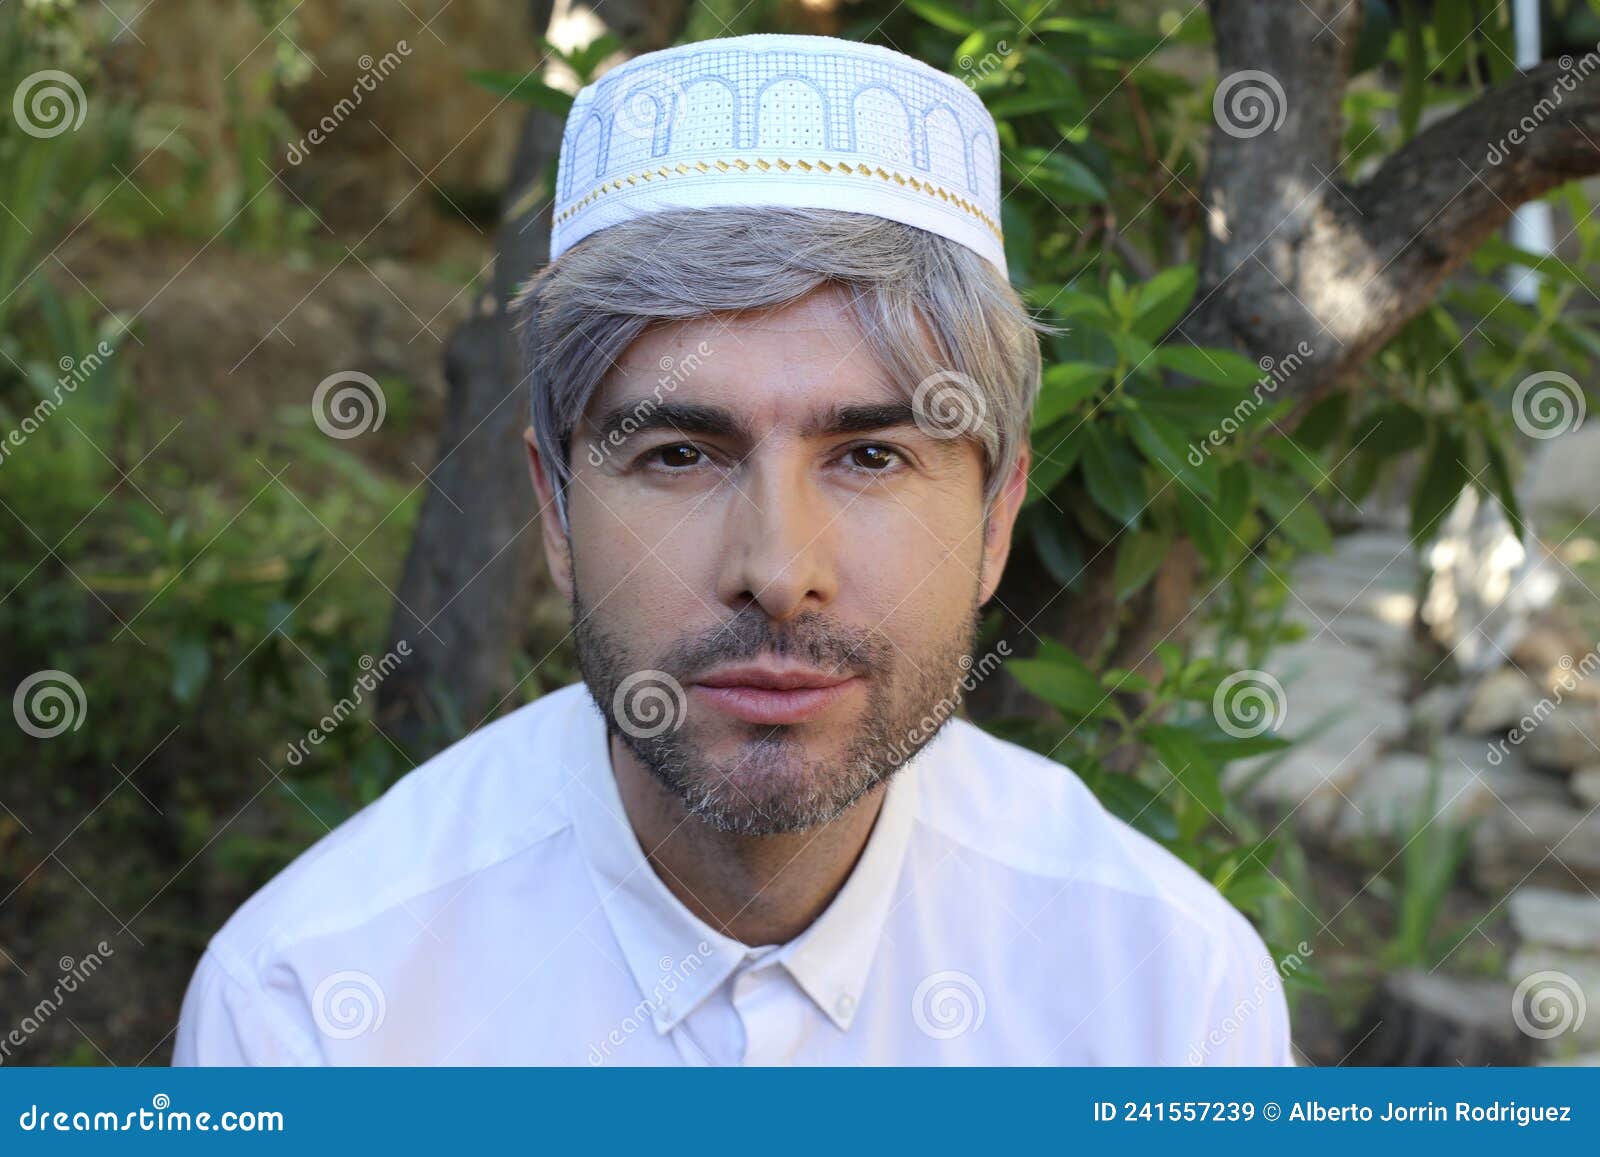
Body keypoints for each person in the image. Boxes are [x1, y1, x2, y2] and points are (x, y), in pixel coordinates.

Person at [174, 32, 1292, 1066]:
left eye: (870, 457)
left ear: (996, 518)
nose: (776, 567)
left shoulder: (1172, 1000)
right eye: (678, 454)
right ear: (556, 512)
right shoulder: (309, 1008)